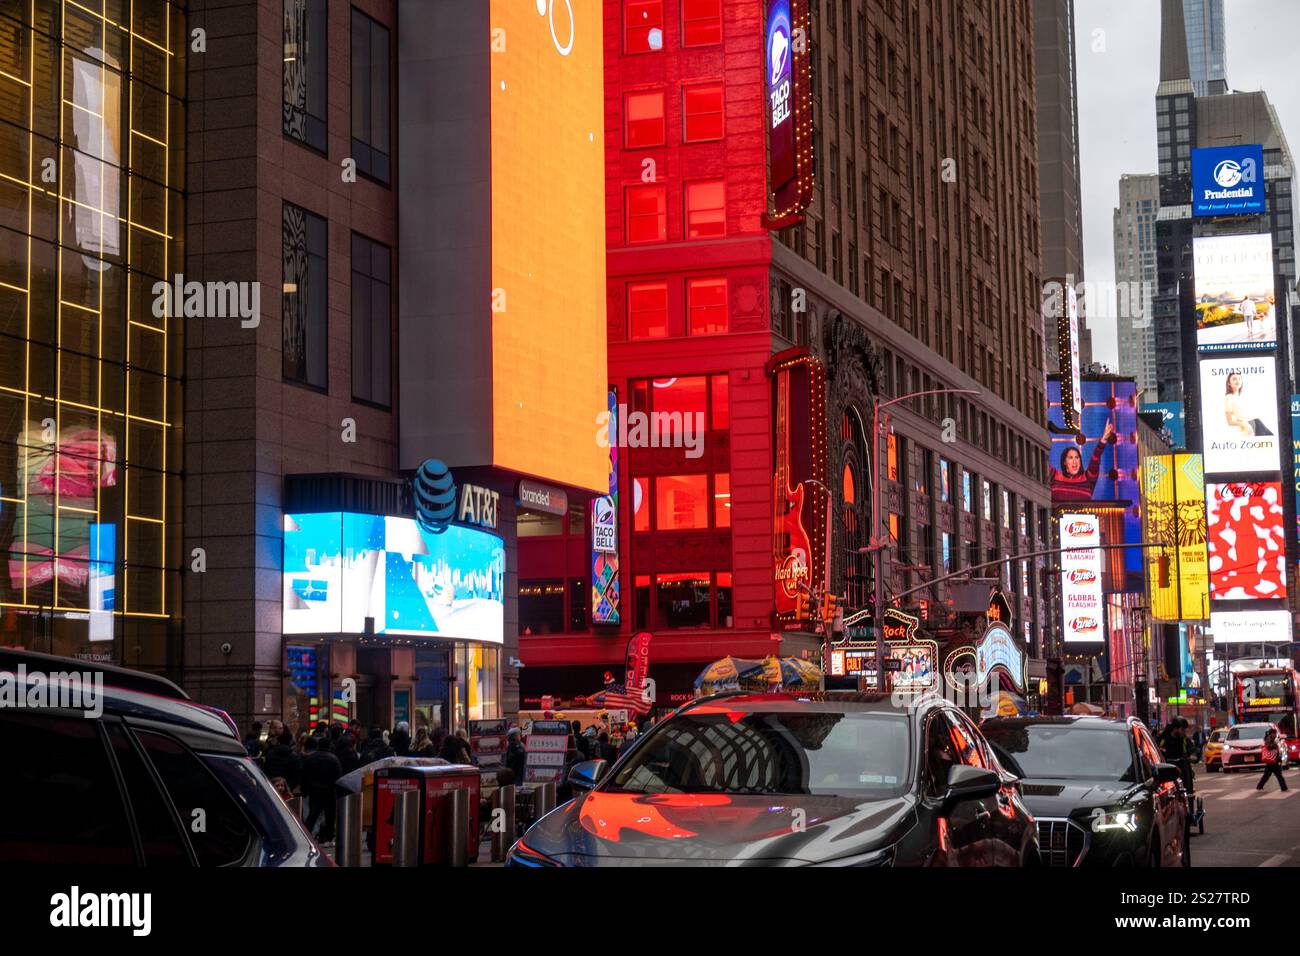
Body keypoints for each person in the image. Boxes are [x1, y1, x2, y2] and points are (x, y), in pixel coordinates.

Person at [1050, 420, 1115, 502]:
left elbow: (1095, 460)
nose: (1074, 461)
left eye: (1077, 457)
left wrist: (1103, 441)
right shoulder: (1054, 476)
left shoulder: (1087, 478)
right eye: (1070, 458)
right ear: (1064, 462)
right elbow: (1041, 462)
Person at [301, 736, 343, 843]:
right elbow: (338, 776)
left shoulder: (311, 758)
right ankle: (328, 837)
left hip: (314, 791)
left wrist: (305, 790)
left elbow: (305, 775)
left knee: (312, 815)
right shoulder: (333, 759)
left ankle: (307, 835)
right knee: (330, 816)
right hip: (329, 791)